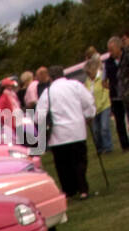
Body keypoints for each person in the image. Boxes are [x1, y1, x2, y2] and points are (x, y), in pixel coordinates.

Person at [36, 65, 95, 198]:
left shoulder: (48, 92)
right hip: (77, 130)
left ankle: (69, 190)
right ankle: (83, 189)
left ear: (50, 78)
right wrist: (89, 114)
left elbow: (39, 115)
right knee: (79, 161)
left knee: (63, 165)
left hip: (58, 135)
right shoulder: (75, 85)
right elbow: (88, 101)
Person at [103, 36, 129, 150]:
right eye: (109, 50)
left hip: (127, 94)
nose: (110, 52)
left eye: (112, 49)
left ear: (119, 48)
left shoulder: (127, 57)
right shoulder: (108, 63)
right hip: (116, 97)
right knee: (119, 122)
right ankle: (125, 145)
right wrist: (112, 87)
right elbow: (104, 81)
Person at [85, 55, 113, 152]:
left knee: (104, 127)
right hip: (94, 109)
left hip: (104, 106)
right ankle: (100, 148)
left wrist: (100, 104)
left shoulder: (101, 77)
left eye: (89, 72)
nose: (88, 75)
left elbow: (106, 91)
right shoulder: (88, 82)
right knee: (96, 130)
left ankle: (108, 147)